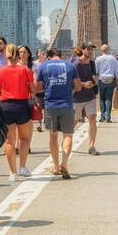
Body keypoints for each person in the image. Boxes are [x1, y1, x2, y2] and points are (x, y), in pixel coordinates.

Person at [34, 48, 81, 179]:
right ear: (60, 55)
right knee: (68, 136)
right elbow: (78, 87)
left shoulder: (43, 66)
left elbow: (37, 88)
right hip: (66, 104)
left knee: (53, 136)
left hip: (50, 105)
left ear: (49, 56)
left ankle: (55, 166)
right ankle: (64, 163)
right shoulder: (70, 66)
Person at [0, 46, 36, 181]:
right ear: (18, 55)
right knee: (25, 138)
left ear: (6, 55)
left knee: (9, 141)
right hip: (22, 105)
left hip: (5, 106)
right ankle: (22, 166)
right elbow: (33, 90)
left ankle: (12, 173)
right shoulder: (25, 70)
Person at [72, 47, 100, 156]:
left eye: (92, 50)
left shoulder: (92, 64)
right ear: (83, 50)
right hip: (77, 97)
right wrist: (84, 84)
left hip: (90, 96)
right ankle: (66, 140)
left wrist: (95, 80)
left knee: (92, 118)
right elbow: (71, 81)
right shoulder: (76, 64)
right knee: (73, 122)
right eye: (88, 49)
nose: (90, 51)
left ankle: (91, 146)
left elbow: (94, 77)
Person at [94, 44, 118, 123]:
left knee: (102, 99)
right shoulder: (113, 59)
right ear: (108, 50)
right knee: (109, 99)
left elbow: (96, 71)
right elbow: (116, 72)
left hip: (101, 80)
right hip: (111, 80)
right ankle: (108, 117)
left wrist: (95, 82)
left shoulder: (98, 59)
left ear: (101, 50)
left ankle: (102, 117)